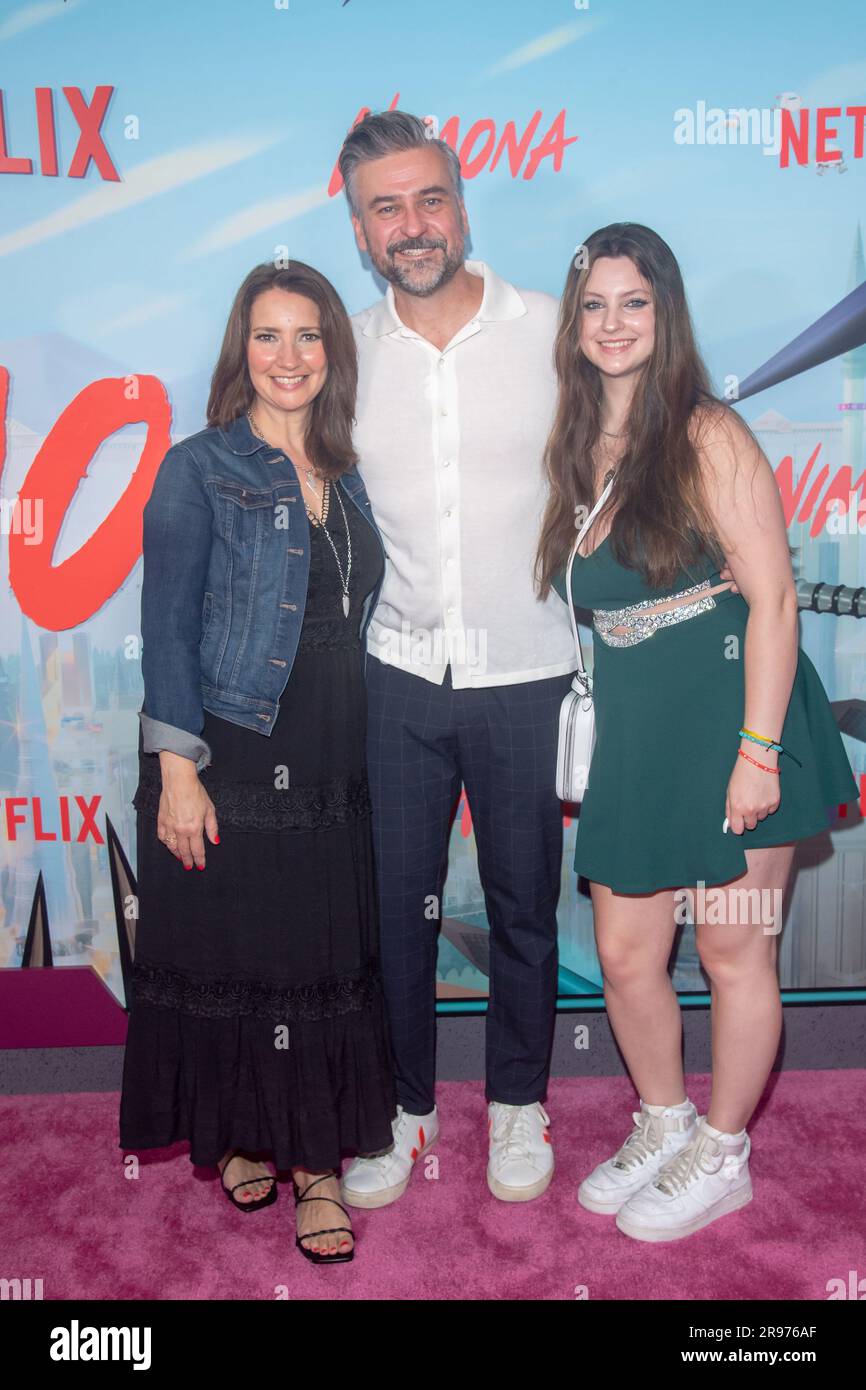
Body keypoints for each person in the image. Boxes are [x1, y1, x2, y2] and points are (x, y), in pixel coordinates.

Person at [536, 222, 859, 1242]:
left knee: (731, 950)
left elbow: (771, 599)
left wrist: (756, 755)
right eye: (593, 304)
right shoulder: (573, 442)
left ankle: (722, 1152)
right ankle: (663, 1120)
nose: (612, 323)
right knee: (627, 953)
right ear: (572, 322)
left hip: (735, 718)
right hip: (637, 727)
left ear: (664, 313)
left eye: (633, 303)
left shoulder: (707, 430)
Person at [119, 260, 398, 1263]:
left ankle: (317, 1162)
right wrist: (178, 768)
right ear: (242, 349)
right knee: (239, 951)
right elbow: (166, 630)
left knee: (320, 951)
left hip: (335, 746)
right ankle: (244, 1130)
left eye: (308, 335)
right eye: (268, 336)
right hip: (232, 742)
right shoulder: (196, 468)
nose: (289, 357)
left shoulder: (352, 465)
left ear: (334, 350)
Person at [334, 110, 579, 1209]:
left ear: (462, 204)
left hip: (526, 669)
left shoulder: (547, 329)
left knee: (525, 906)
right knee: (398, 909)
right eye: (385, 207)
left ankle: (519, 1107)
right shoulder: (341, 353)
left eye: (428, 198)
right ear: (357, 229)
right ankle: (405, 1113)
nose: (411, 224)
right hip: (396, 674)